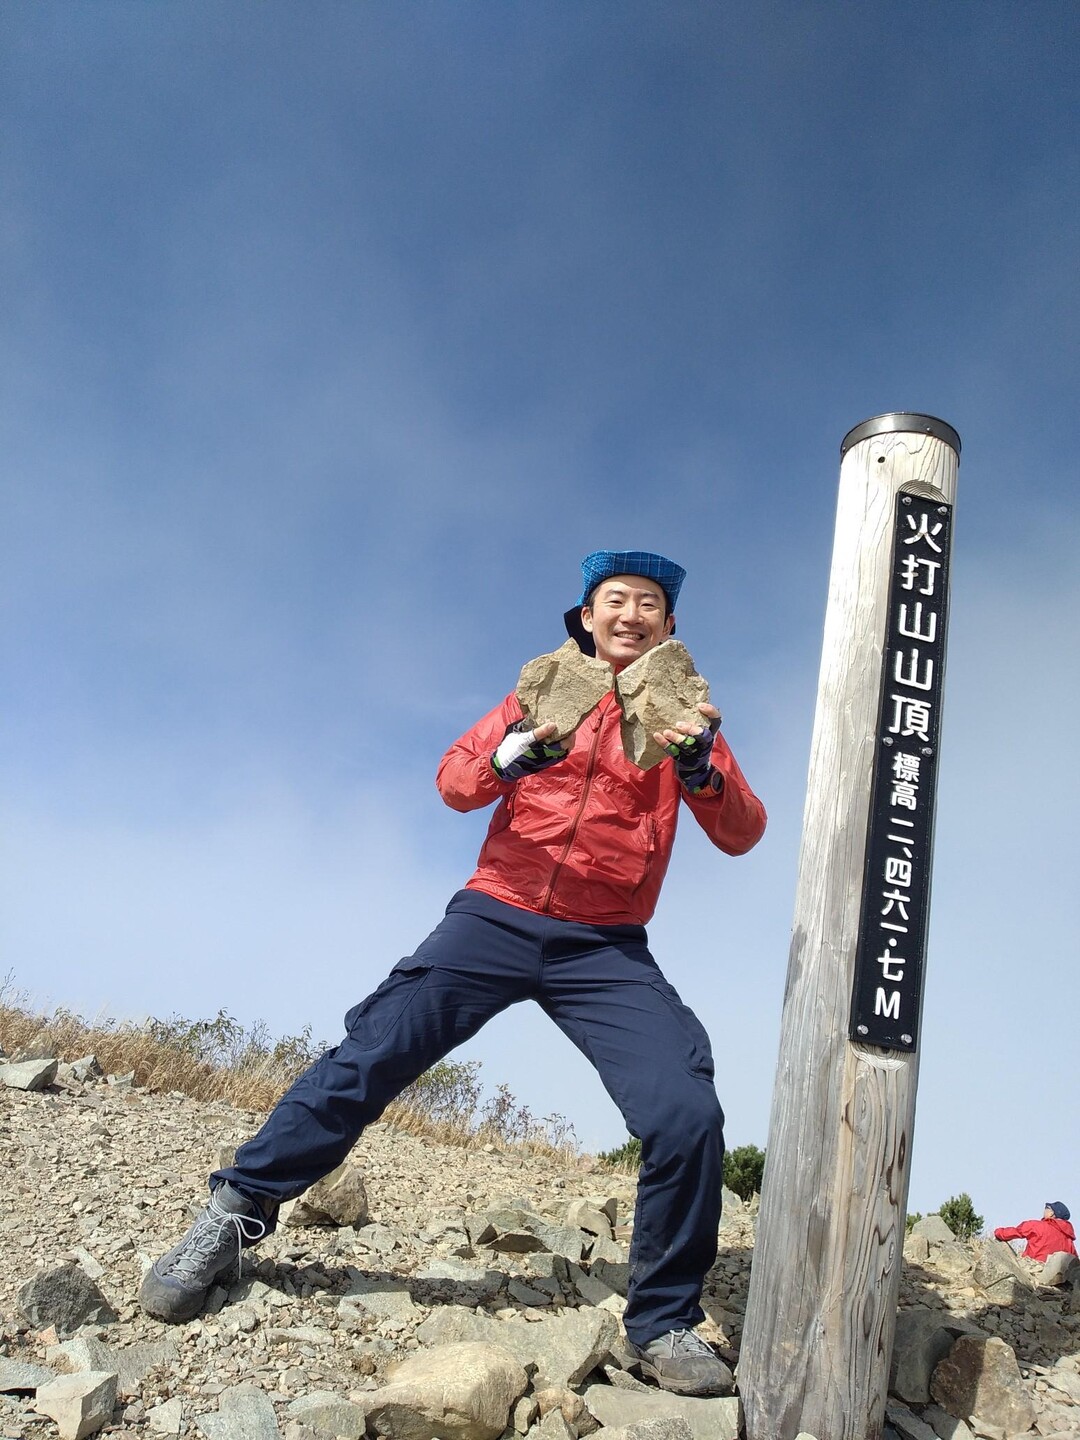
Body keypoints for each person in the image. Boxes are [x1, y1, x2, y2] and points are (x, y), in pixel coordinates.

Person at [138, 549, 767, 1397]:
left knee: (685, 1110)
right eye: (614, 599)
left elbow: (742, 832)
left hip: (605, 943)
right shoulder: (536, 694)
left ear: (669, 628)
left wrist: (703, 768)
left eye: (649, 604)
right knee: (372, 1054)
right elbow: (454, 783)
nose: (631, 614)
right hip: (495, 914)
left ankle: (662, 1320)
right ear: (585, 617)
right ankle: (231, 1217)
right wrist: (510, 757)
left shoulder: (685, 717)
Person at [994, 1202, 1077, 1263]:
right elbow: (1075, 1260)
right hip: (1057, 1280)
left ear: (1052, 1213)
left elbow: (1015, 1232)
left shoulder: (1036, 1226)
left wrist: (998, 1232)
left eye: (1047, 1208)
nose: (1044, 1210)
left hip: (1034, 1267)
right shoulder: (1068, 1238)